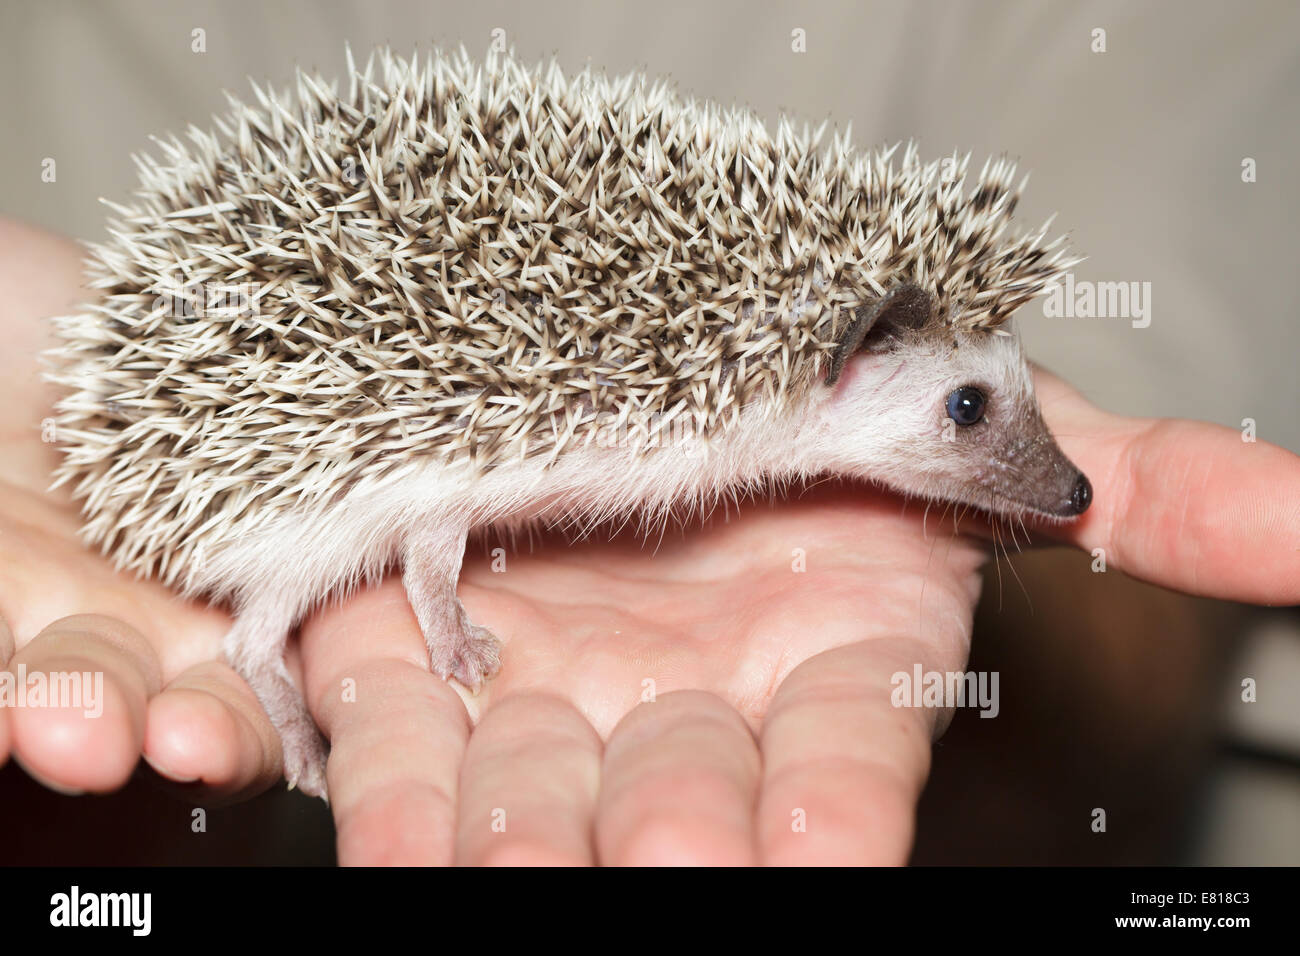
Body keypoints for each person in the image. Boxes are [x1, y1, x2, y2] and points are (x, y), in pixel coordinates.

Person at [0, 217, 1295, 865]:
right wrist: (440, 617)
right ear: (845, 370)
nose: (1038, 476)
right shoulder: (655, 426)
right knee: (286, 597)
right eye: (968, 414)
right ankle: (269, 654)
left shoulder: (742, 416)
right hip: (261, 488)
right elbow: (457, 470)